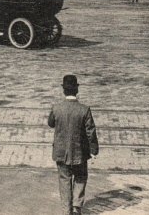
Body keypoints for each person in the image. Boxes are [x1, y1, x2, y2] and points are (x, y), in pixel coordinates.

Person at [48, 75, 99, 215]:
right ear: (77, 90)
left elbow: (51, 123)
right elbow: (91, 131)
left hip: (61, 152)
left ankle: (66, 211)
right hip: (79, 152)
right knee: (81, 177)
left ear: (64, 90)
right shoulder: (84, 109)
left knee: (64, 180)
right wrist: (94, 149)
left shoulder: (56, 108)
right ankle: (77, 206)